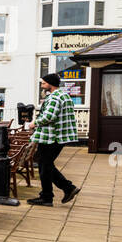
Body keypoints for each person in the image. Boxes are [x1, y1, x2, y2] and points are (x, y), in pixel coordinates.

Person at [27, 73, 79, 206]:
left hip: (52, 137)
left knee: (44, 166)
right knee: (45, 165)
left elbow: (49, 116)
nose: (42, 85)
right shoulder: (63, 95)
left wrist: (34, 123)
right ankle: (56, 192)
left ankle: (52, 195)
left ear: (50, 84)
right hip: (57, 136)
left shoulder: (55, 97)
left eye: (44, 83)